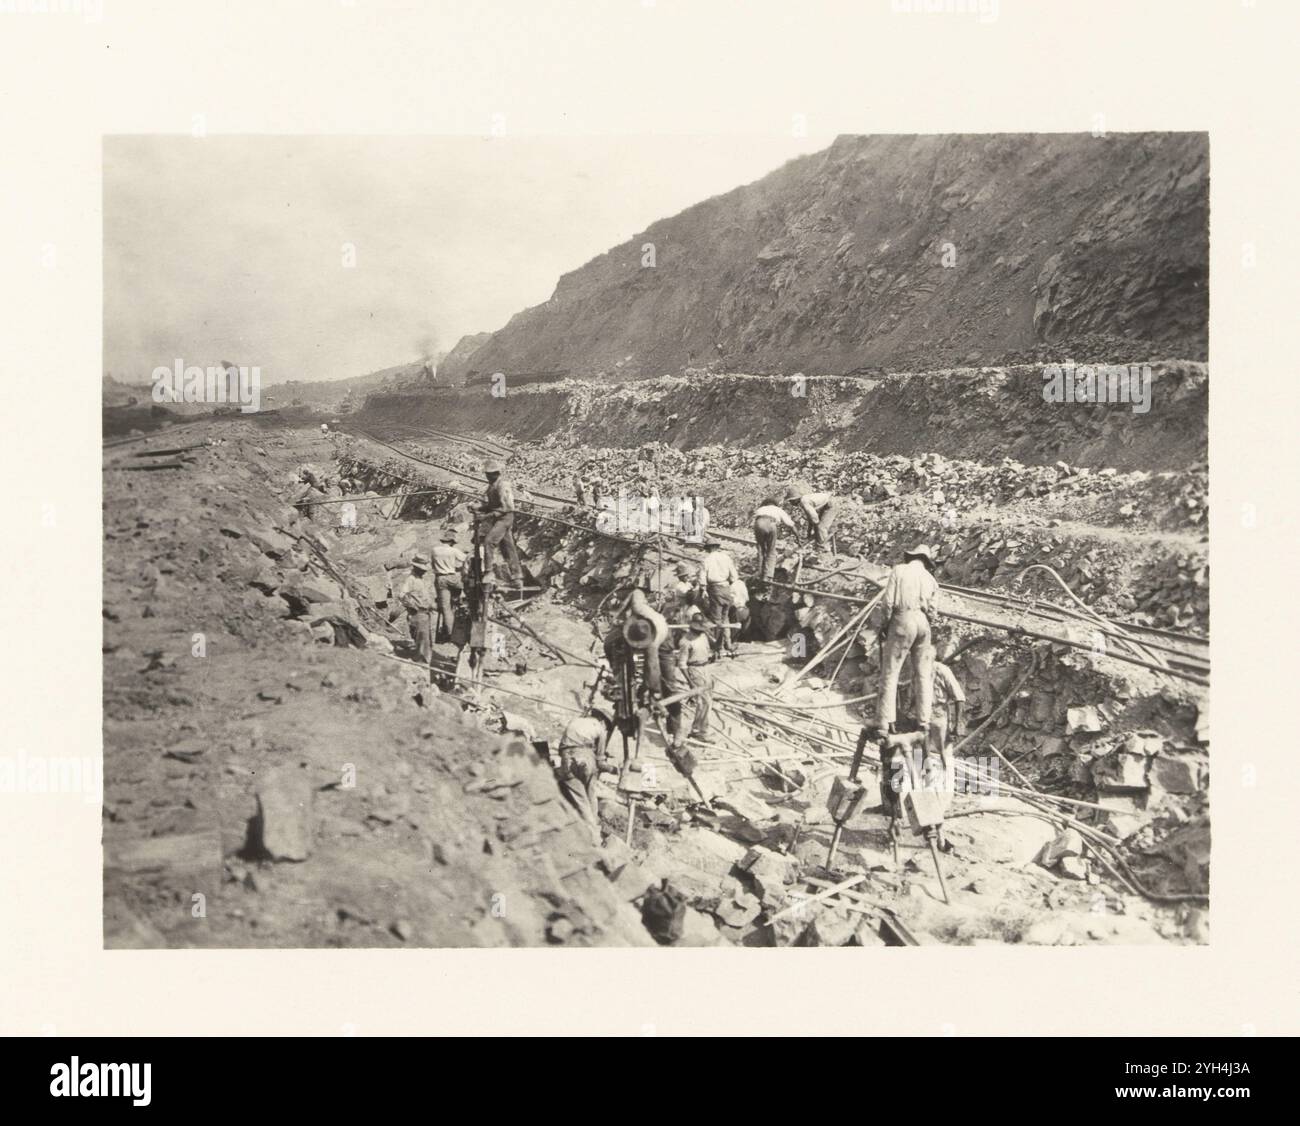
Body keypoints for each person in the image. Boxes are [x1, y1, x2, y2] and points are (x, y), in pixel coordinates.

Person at [875, 544, 940, 733]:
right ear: (926, 562)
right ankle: (923, 722)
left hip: (903, 620)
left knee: (890, 672)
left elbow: (888, 603)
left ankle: (885, 722)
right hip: (923, 624)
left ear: (911, 557)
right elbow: (933, 613)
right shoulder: (931, 580)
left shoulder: (899, 570)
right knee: (923, 675)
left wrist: (885, 625)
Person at [552, 709, 615, 845]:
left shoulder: (575, 721)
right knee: (591, 796)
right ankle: (595, 838)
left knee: (580, 800)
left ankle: (588, 832)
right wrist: (613, 769)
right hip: (586, 758)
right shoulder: (600, 729)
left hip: (567, 759)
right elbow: (600, 762)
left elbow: (561, 748)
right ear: (603, 721)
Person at [473, 459, 524, 583]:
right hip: (498, 518)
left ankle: (489, 572)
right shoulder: (492, 486)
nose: (487, 477)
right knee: (508, 547)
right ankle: (517, 577)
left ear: (495, 473)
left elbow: (507, 507)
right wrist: (480, 508)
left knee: (489, 542)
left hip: (505, 518)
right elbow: (493, 505)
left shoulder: (502, 485)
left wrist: (485, 517)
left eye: (488, 474)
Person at [674, 611, 715, 746]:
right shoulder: (685, 642)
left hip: (705, 667)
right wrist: (690, 682)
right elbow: (682, 664)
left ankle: (699, 728)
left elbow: (711, 648)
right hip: (695, 670)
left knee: (708, 701)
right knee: (704, 702)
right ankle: (700, 732)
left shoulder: (703, 636)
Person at [698, 539, 739, 657]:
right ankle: (728, 644)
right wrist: (728, 584)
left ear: (708, 548)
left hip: (715, 589)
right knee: (725, 618)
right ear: (717, 547)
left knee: (716, 620)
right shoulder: (726, 558)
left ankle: (718, 647)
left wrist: (704, 589)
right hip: (726, 588)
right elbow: (734, 576)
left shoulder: (706, 560)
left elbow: (702, 577)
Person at [398, 553, 438, 664]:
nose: (424, 571)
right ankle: (422, 663)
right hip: (418, 614)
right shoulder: (410, 579)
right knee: (422, 640)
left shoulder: (421, 579)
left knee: (426, 640)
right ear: (416, 567)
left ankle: (425, 661)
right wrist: (412, 606)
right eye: (422, 569)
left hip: (426, 613)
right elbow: (401, 595)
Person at [430, 529, 468, 642]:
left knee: (445, 608)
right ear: (451, 541)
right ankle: (458, 601)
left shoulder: (435, 550)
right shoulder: (454, 551)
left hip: (440, 578)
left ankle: (450, 633)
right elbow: (466, 560)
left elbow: (433, 564)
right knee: (456, 601)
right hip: (453, 578)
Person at [752, 495, 797, 581]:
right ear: (775, 504)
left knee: (761, 549)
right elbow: (791, 525)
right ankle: (768, 576)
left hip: (759, 523)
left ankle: (760, 572)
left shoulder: (761, 509)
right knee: (771, 550)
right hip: (771, 524)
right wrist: (798, 537)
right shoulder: (778, 510)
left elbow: (755, 521)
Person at [784, 481, 837, 552]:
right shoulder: (804, 501)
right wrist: (808, 534)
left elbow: (815, 519)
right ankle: (819, 545)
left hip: (831, 505)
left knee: (821, 527)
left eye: (791, 501)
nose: (791, 503)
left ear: (795, 499)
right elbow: (810, 519)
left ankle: (823, 548)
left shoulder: (804, 501)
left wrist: (816, 530)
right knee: (818, 528)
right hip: (825, 505)